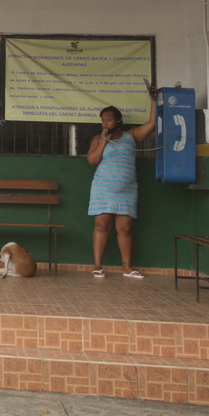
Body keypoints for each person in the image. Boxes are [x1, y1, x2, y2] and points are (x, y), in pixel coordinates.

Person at [86, 85, 156, 279]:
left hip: (127, 190)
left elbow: (151, 123)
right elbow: (92, 160)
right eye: (103, 121)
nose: (105, 123)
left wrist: (153, 99)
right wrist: (104, 141)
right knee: (102, 225)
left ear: (118, 120)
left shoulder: (131, 137)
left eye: (108, 119)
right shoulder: (98, 139)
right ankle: (98, 266)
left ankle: (126, 267)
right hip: (103, 188)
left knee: (125, 228)